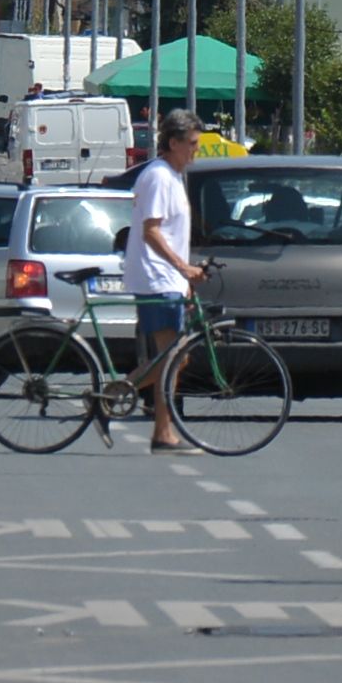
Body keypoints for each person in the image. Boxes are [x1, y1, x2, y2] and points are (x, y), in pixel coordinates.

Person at [122, 106, 206, 451]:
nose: (195, 151)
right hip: (156, 278)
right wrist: (182, 268)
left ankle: (162, 430)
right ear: (173, 142)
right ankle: (120, 390)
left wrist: (183, 277)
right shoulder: (158, 176)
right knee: (174, 355)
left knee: (172, 356)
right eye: (192, 144)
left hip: (168, 280)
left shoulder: (172, 176)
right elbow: (152, 232)